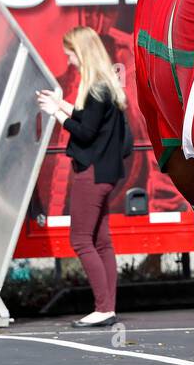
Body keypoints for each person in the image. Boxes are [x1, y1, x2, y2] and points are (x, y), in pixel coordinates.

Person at [37, 26, 132, 329]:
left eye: (71, 53)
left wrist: (56, 113)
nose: (69, 59)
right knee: (101, 241)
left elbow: (84, 132)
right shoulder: (105, 86)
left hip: (91, 173)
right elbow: (87, 118)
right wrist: (61, 103)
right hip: (105, 172)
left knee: (80, 239)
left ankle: (103, 308)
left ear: (82, 52)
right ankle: (107, 306)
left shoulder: (95, 89)